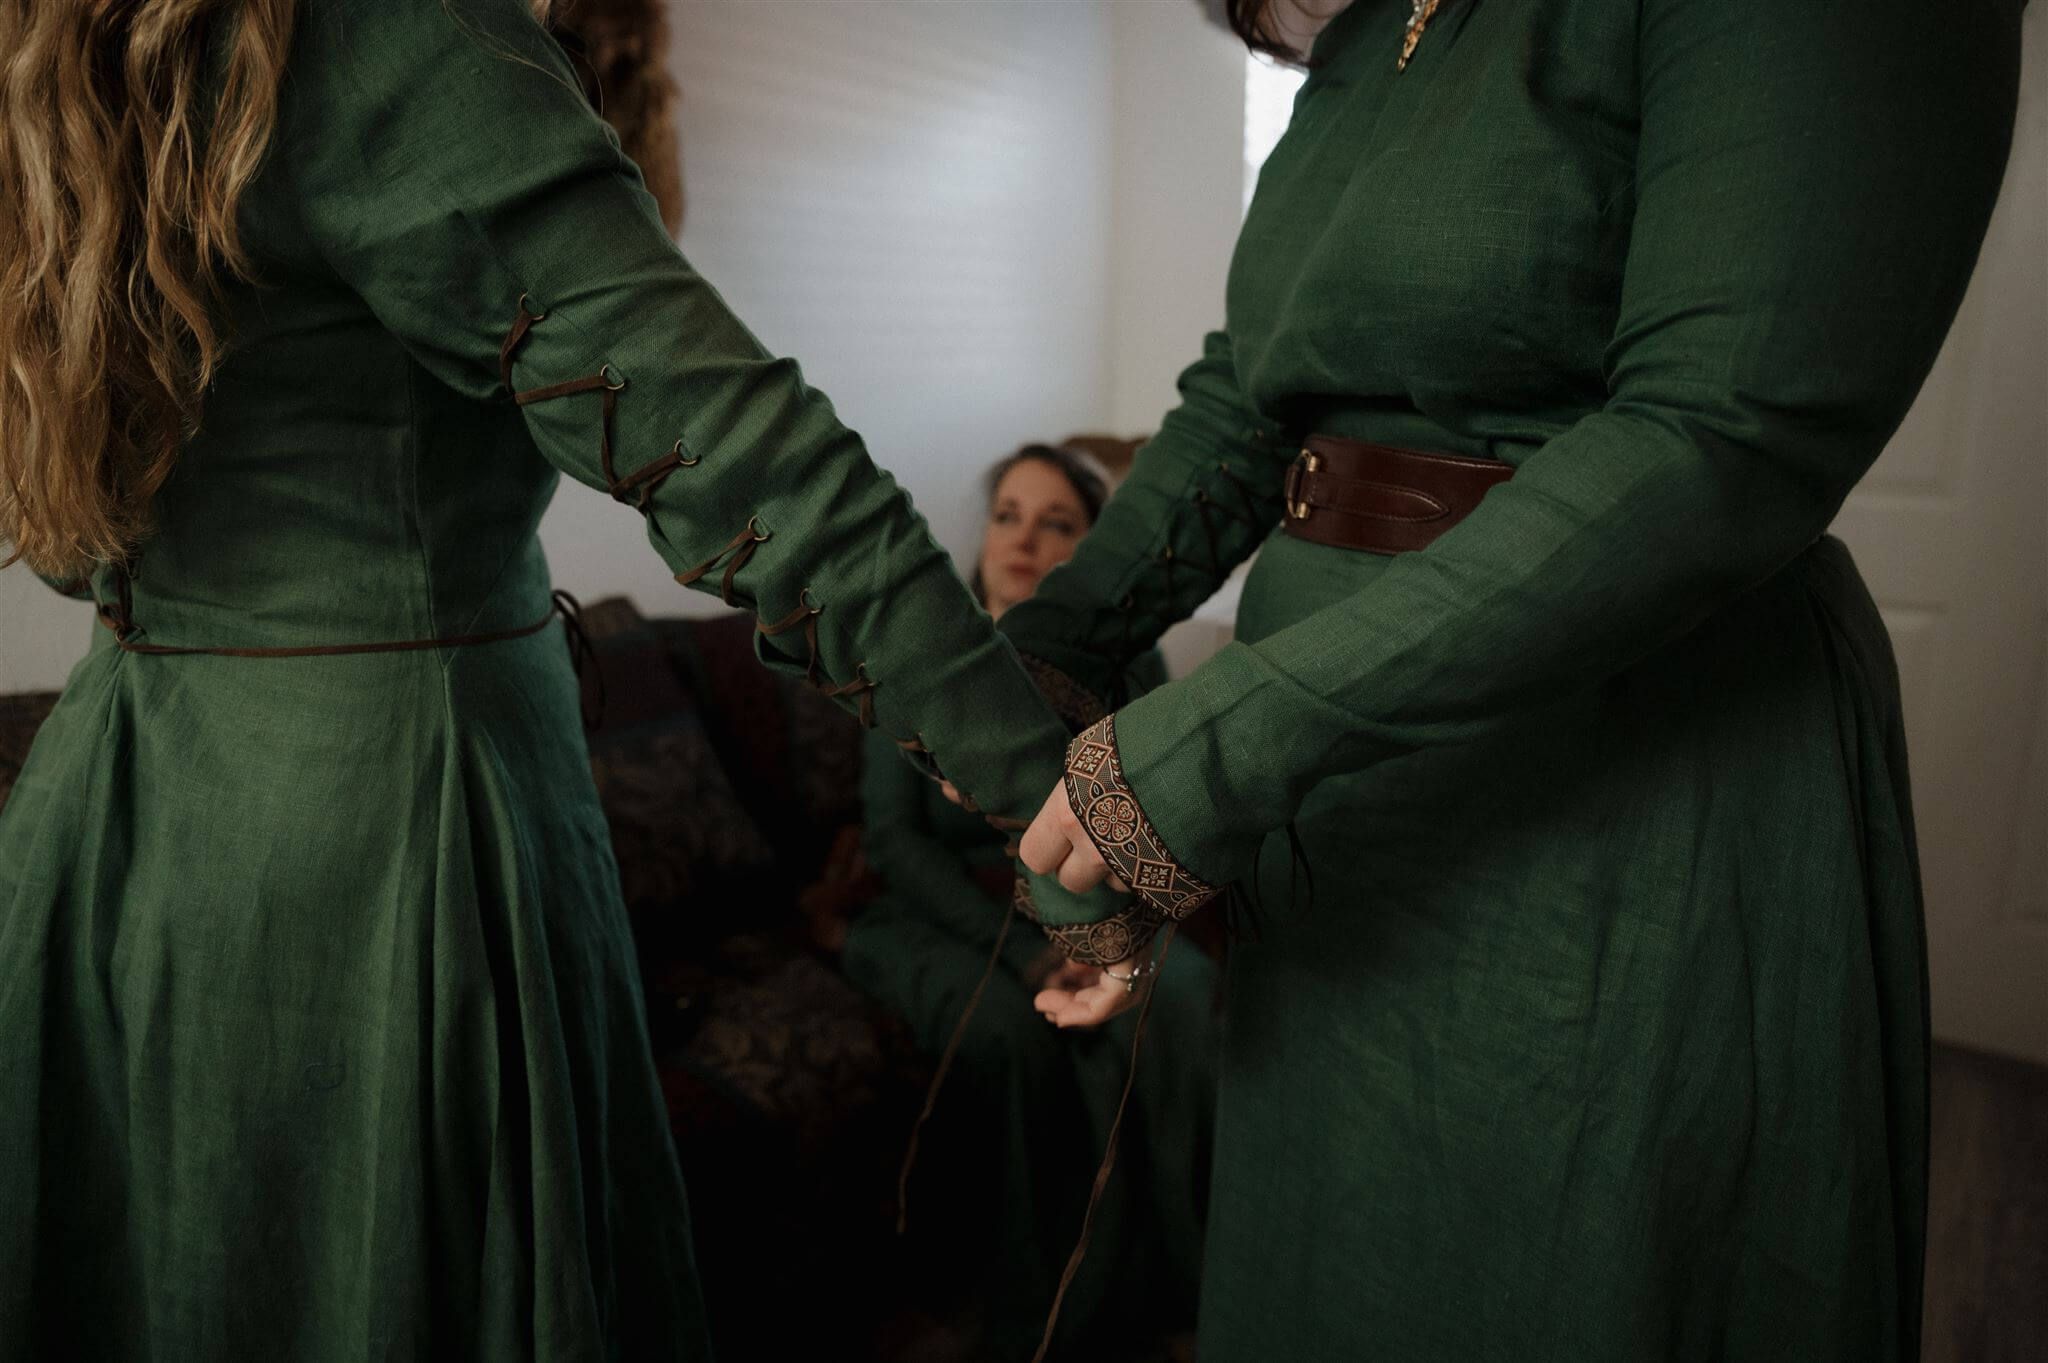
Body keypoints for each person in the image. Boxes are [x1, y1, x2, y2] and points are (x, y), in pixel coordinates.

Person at [0, 2, 1078, 1357]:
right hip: (377, 832)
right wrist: (1069, 806)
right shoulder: (381, 36)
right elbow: (750, 461)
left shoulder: (78, 54)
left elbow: (76, 528)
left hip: (114, 809)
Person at [1009, 0, 2026, 1359]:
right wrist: (1047, 651)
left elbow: (1727, 428)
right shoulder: (1377, 34)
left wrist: (1217, 744)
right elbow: (1251, 399)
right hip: (1344, 835)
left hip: (1624, 800)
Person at [839, 445, 1216, 1362]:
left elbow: (1153, 819)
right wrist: (1025, 950)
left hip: (1094, 909)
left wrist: (1097, 930)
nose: (1023, 536)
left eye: (1058, 521)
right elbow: (894, 843)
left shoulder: (1133, 656)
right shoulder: (920, 649)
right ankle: (1034, 1310)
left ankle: (1162, 1288)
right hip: (940, 910)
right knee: (1015, 1035)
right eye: (1008, 512)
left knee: (1185, 1000)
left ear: (1095, 549)